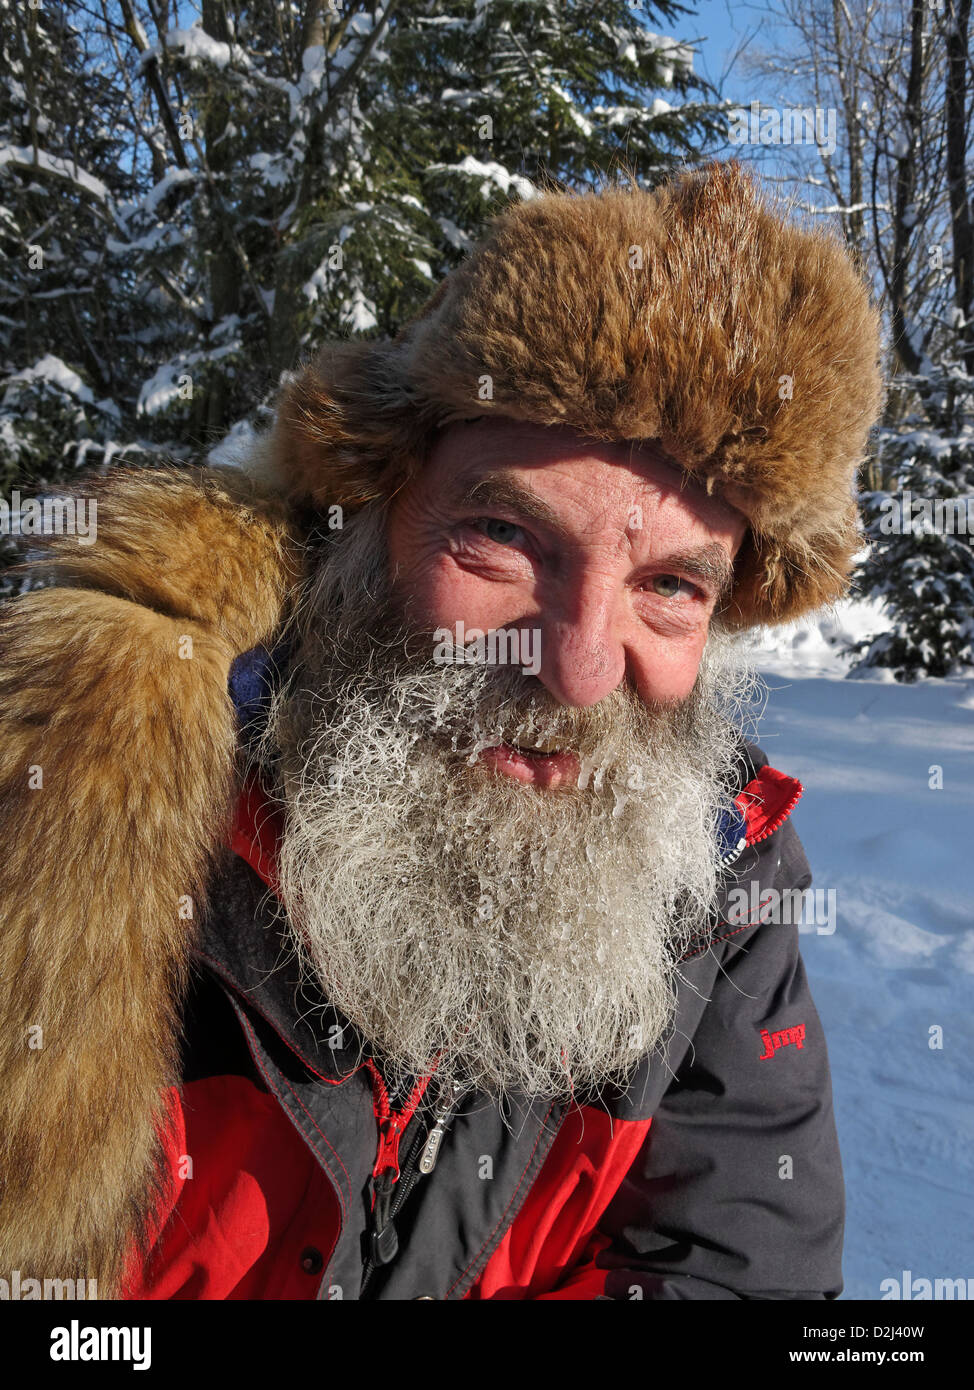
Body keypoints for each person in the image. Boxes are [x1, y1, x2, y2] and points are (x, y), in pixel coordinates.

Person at [0, 160, 883, 1300]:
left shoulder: (719, 880)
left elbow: (738, 1274)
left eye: (668, 585)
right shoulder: (86, 791)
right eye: (505, 536)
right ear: (371, 513)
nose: (572, 672)